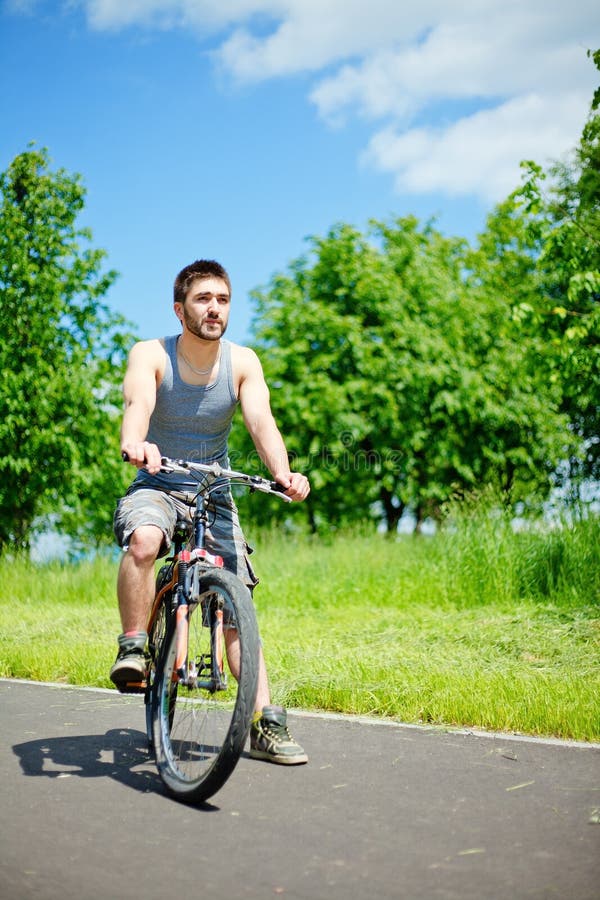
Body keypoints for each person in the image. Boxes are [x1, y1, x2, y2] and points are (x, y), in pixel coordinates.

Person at [111, 259, 310, 765]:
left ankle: (264, 725)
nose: (214, 308)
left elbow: (261, 421)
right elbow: (138, 403)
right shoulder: (151, 354)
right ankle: (133, 646)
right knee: (145, 541)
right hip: (158, 481)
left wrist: (284, 473)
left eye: (222, 300)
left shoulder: (242, 362)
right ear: (180, 310)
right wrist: (136, 443)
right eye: (203, 299)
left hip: (212, 490)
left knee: (237, 606)